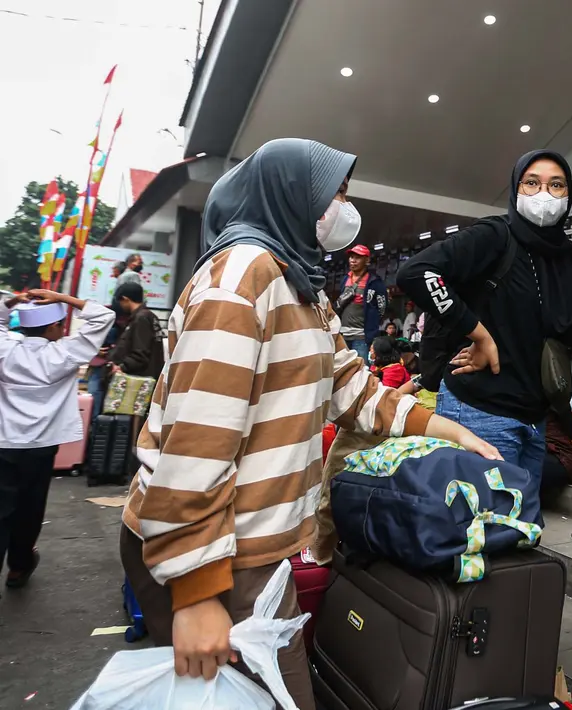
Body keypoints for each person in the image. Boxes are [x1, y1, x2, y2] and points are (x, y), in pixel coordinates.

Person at [118, 138, 497, 708]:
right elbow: (197, 443)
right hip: (213, 554)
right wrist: (196, 594)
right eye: (335, 195)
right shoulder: (241, 278)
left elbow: (354, 390)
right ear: (291, 196)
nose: (344, 210)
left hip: (252, 550)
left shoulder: (300, 287)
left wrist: (454, 432)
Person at [400, 150, 572, 490]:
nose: (544, 193)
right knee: (474, 532)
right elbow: (416, 272)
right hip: (479, 411)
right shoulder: (496, 236)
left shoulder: (565, 256)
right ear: (516, 189)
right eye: (532, 183)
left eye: (556, 185)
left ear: (569, 195)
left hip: (535, 418)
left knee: (518, 528)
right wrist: (479, 334)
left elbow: (565, 329)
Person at [0, 289, 114, 594]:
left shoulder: (5, 349)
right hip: (40, 446)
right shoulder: (64, 353)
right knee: (30, 507)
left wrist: (11, 302)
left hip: (4, 442)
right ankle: (19, 566)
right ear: (51, 327)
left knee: (2, 510)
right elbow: (104, 316)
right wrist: (61, 297)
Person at [336, 244, 387, 364]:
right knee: (342, 369)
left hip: (362, 337)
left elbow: (382, 308)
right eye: (351, 257)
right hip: (342, 336)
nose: (353, 260)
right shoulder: (345, 279)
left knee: (361, 370)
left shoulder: (374, 282)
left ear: (367, 260)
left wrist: (372, 325)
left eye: (357, 257)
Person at [109, 282, 165, 379]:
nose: (120, 305)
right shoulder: (149, 316)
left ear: (125, 299)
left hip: (138, 381)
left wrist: (121, 367)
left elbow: (140, 353)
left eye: (120, 302)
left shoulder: (141, 318)